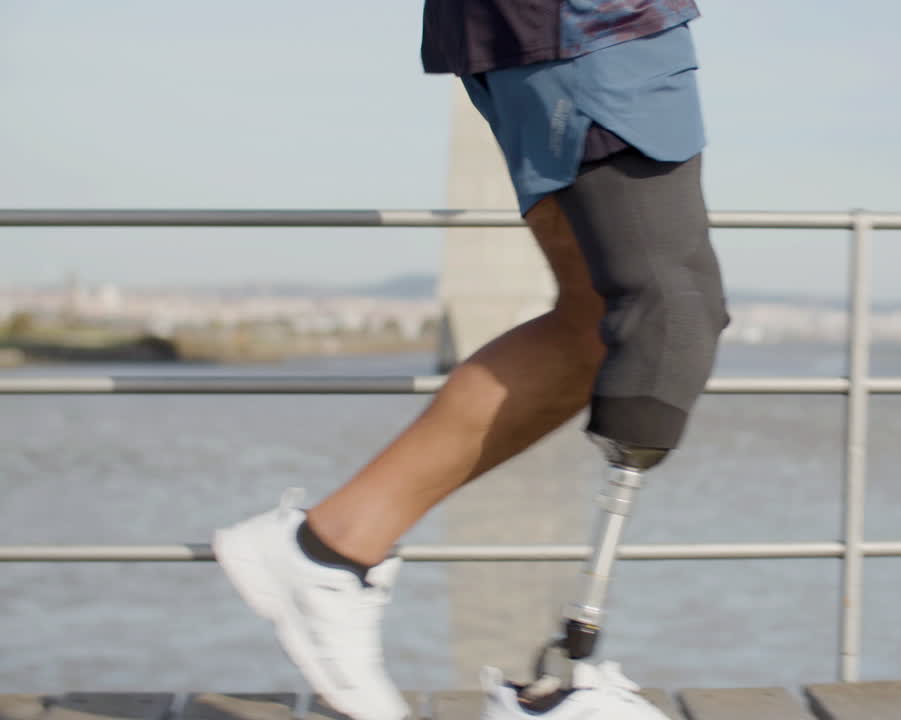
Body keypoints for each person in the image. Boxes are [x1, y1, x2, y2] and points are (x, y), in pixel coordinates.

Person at [212, 2, 728, 719]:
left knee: (600, 324)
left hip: (566, 31)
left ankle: (332, 549)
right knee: (667, 314)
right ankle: (561, 682)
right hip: (589, 26)